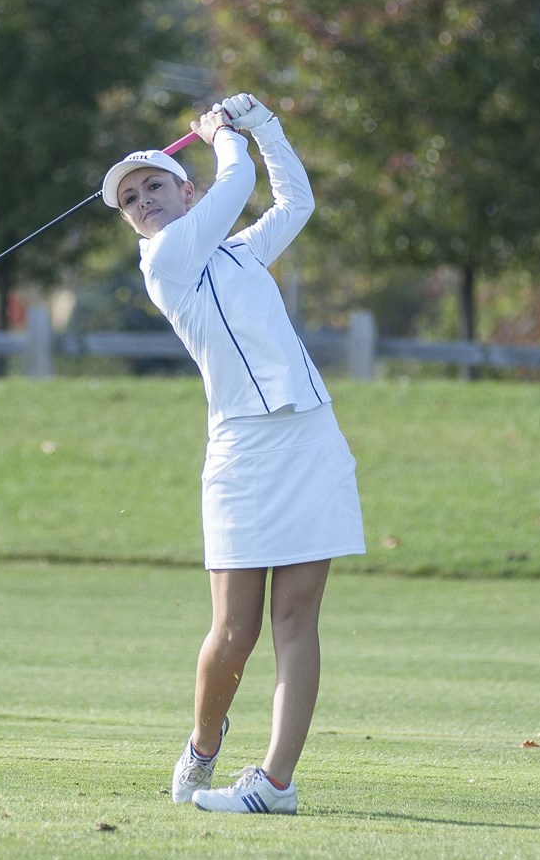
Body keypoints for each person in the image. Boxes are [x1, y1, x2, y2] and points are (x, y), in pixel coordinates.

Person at [102, 93, 365, 815]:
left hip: (309, 434)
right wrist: (225, 136)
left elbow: (297, 201)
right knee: (234, 631)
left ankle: (276, 782)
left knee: (296, 620)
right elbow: (240, 183)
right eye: (130, 198)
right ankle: (204, 742)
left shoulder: (241, 250)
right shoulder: (165, 261)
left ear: (185, 190)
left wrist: (267, 127)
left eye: (154, 184)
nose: (144, 200)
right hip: (242, 453)